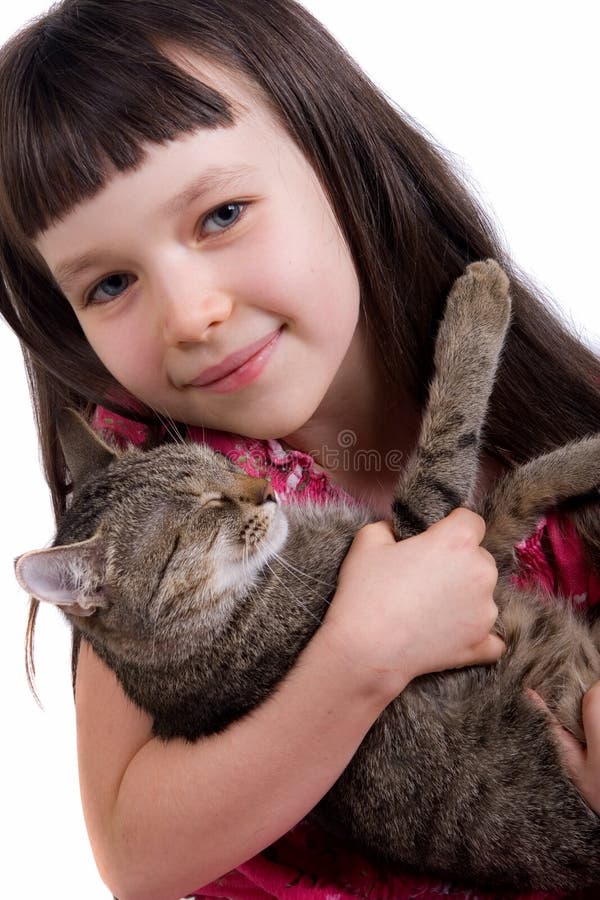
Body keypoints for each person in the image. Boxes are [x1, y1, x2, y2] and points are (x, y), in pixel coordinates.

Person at [1, 1, 599, 898]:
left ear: (337, 156)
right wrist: (360, 657)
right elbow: (137, 857)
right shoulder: (155, 491)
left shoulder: (539, 402)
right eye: (111, 282)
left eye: (221, 214)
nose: (190, 312)